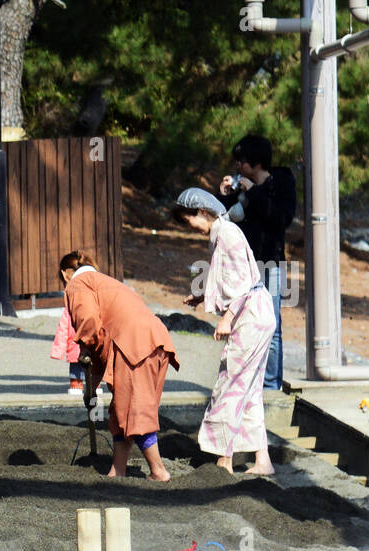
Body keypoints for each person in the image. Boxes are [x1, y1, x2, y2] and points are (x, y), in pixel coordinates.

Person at [174, 188, 276, 476]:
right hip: (257, 311)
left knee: (230, 384)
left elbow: (242, 284)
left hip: (249, 315)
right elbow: (228, 277)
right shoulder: (221, 233)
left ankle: (224, 460)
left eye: (189, 218)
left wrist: (227, 318)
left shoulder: (227, 234)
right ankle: (262, 460)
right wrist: (203, 297)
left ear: (203, 212)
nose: (189, 225)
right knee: (250, 388)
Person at [61, 250, 179, 481]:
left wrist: (84, 345)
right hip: (155, 341)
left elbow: (89, 322)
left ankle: (158, 471)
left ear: (65, 274)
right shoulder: (107, 282)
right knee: (122, 409)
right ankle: (118, 470)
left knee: (135, 410)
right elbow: (97, 350)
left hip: (132, 345)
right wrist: (91, 390)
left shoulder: (77, 285)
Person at [216, 134, 296, 391]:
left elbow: (281, 217)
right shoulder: (244, 186)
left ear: (256, 162)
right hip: (245, 266)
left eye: (242, 161)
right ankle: (246, 383)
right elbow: (230, 219)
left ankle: (271, 385)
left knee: (271, 326)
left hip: (270, 263)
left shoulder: (281, 182)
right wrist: (227, 194)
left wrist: (255, 192)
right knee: (243, 324)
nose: (238, 166)